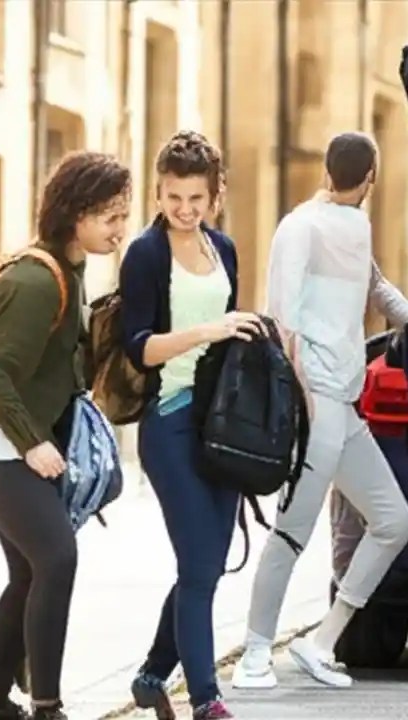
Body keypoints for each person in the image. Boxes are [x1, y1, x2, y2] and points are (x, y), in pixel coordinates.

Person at [231, 132, 408, 691]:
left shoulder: (356, 229)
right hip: (316, 402)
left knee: (393, 521)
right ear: (370, 178)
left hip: (346, 404)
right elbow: (280, 320)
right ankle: (255, 656)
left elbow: (378, 290)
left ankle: (320, 643)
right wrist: (305, 403)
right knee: (292, 530)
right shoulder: (300, 227)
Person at [0, 151, 132, 720]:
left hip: (14, 440)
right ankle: (48, 707)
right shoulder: (36, 279)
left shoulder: (72, 272)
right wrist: (33, 441)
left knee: (29, 571)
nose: (119, 229)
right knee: (56, 559)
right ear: (75, 213)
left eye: (124, 215)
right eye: (109, 216)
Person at [119, 130, 261, 720]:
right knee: (199, 567)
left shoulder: (223, 249)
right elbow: (138, 348)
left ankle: (154, 674)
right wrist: (210, 329)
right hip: (170, 423)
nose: (183, 209)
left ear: (215, 196)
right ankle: (207, 700)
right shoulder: (146, 255)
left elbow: (233, 333)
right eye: (172, 197)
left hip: (221, 426)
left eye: (195, 198)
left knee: (206, 561)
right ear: (158, 193)